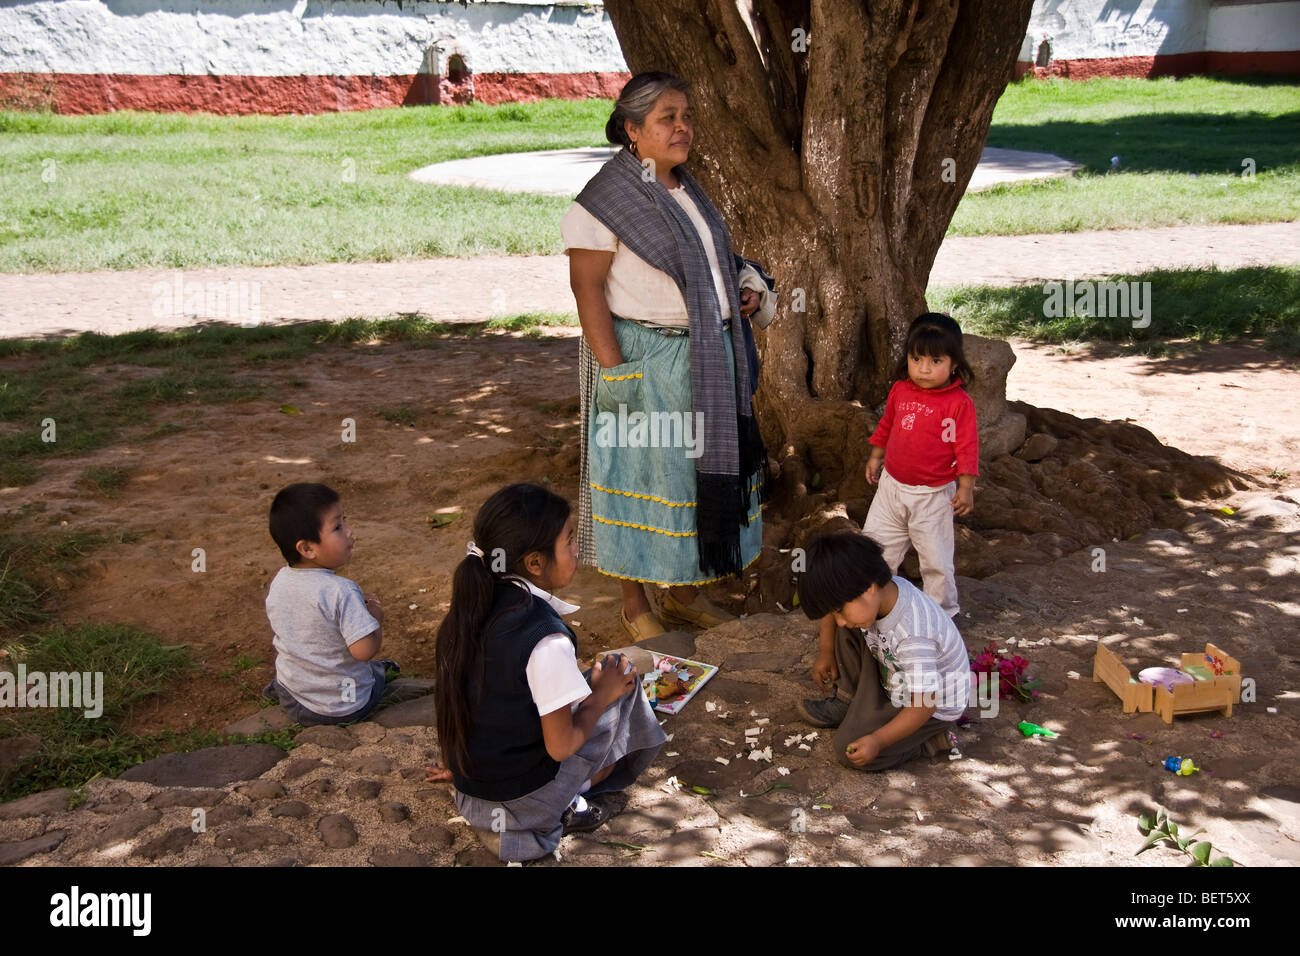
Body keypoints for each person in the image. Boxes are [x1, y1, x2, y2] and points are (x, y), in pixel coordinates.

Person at [562, 71, 773, 642]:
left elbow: (708, 263)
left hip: (704, 357)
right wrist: (616, 373)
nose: (682, 127)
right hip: (643, 359)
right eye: (666, 118)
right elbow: (587, 291)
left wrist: (742, 286)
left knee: (687, 483)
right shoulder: (603, 202)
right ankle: (635, 606)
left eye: (686, 115)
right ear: (632, 129)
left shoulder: (686, 188)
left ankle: (682, 594)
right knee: (638, 478)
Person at [436, 483, 667, 862]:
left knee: (593, 689)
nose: (577, 549)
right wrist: (602, 695)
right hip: (520, 801)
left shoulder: (468, 609)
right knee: (625, 687)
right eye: (570, 540)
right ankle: (569, 804)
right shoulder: (546, 639)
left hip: (471, 791)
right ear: (534, 563)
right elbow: (561, 746)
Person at [796, 532, 969, 771]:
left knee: (849, 749)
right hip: (896, 671)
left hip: (928, 707)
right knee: (849, 627)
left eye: (839, 610)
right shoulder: (877, 595)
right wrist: (826, 651)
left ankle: (929, 742)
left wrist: (878, 741)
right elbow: (833, 609)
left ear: (867, 588)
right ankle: (847, 701)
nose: (839, 621)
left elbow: (925, 704)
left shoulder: (913, 636)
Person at [864, 312, 979, 617]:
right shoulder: (900, 390)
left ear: (954, 364)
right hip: (890, 489)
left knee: (935, 561)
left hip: (933, 496)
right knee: (875, 548)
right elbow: (886, 426)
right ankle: (871, 608)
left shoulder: (958, 403)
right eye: (916, 359)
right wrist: (876, 456)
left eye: (935, 361)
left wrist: (966, 487)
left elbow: (966, 447)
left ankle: (943, 617)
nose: (924, 369)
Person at [264, 483, 396, 726]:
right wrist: (375, 617)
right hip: (341, 706)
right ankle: (381, 674)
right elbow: (364, 651)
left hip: (293, 698)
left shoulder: (280, 581)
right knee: (376, 671)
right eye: (337, 527)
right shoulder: (342, 591)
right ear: (307, 548)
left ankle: (287, 686)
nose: (349, 531)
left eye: (344, 521)